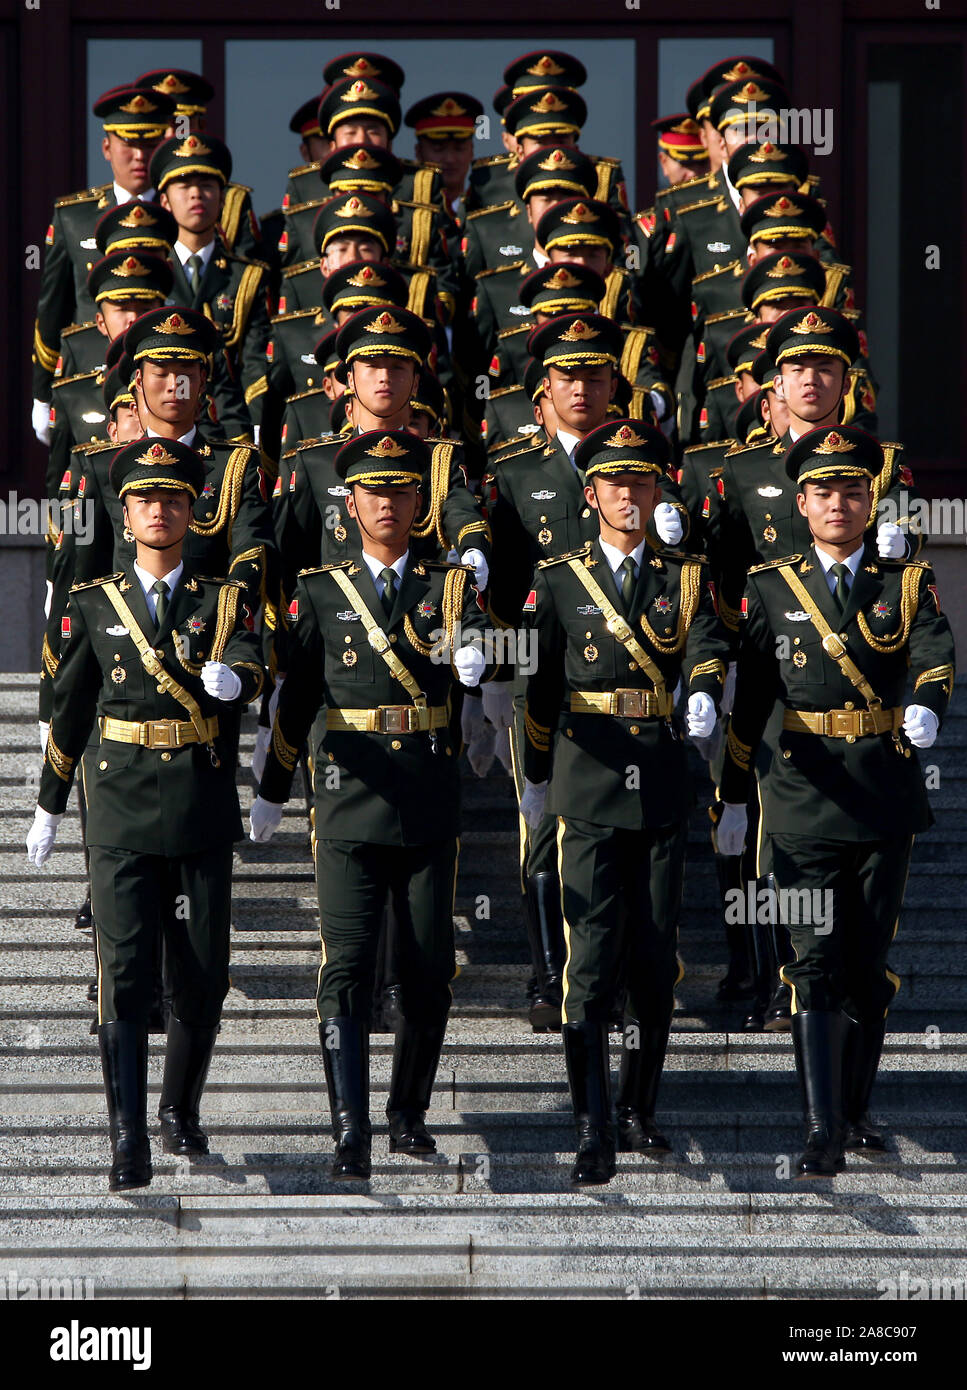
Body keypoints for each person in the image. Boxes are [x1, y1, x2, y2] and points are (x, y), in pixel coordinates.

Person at [250, 429, 494, 1179]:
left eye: (402, 491)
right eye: (374, 491)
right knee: (347, 967)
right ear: (350, 502)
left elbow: (485, 634)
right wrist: (270, 788)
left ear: (421, 503)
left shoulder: (449, 585)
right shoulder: (320, 591)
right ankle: (349, 1127)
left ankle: (407, 1116)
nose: (388, 503)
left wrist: (479, 655)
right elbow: (298, 699)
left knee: (425, 968)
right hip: (348, 797)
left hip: (424, 794)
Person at [26, 437, 265, 1190]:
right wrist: (48, 805)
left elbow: (257, 655)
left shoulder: (221, 600)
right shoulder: (94, 603)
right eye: (144, 500)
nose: (159, 511)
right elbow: (71, 709)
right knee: (124, 973)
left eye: (173, 499)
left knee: (200, 977)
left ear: (193, 512)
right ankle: (125, 1135)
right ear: (124, 515)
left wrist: (242, 682)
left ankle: (178, 1109)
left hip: (197, 801)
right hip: (121, 807)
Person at [717, 424, 955, 1176]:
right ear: (801, 502)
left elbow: (933, 651)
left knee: (865, 963)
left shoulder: (904, 581)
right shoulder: (770, 585)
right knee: (811, 960)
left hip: (881, 790)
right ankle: (819, 1127)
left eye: (852, 490)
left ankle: (855, 1112)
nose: (837, 503)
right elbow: (751, 698)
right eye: (823, 491)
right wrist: (729, 795)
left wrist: (927, 700)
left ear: (869, 500)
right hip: (797, 793)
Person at [519, 419, 730, 1182]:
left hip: (663, 780)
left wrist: (702, 688)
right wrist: (535, 778)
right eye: (615, 481)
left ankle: (640, 1108)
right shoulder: (559, 577)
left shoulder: (684, 575)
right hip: (589, 776)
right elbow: (538, 689)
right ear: (592, 492)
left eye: (642, 480)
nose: (629, 493)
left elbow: (707, 641)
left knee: (652, 961)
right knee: (591, 961)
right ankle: (591, 1122)